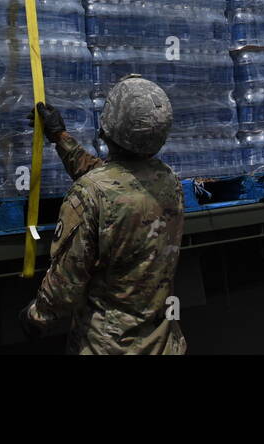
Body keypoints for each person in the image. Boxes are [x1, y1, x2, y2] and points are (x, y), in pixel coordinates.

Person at [19, 74, 187, 354]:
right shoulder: (169, 181)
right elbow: (112, 181)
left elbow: (67, 283)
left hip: (109, 345)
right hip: (163, 344)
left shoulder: (91, 193)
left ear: (109, 126)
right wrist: (60, 137)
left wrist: (36, 316)